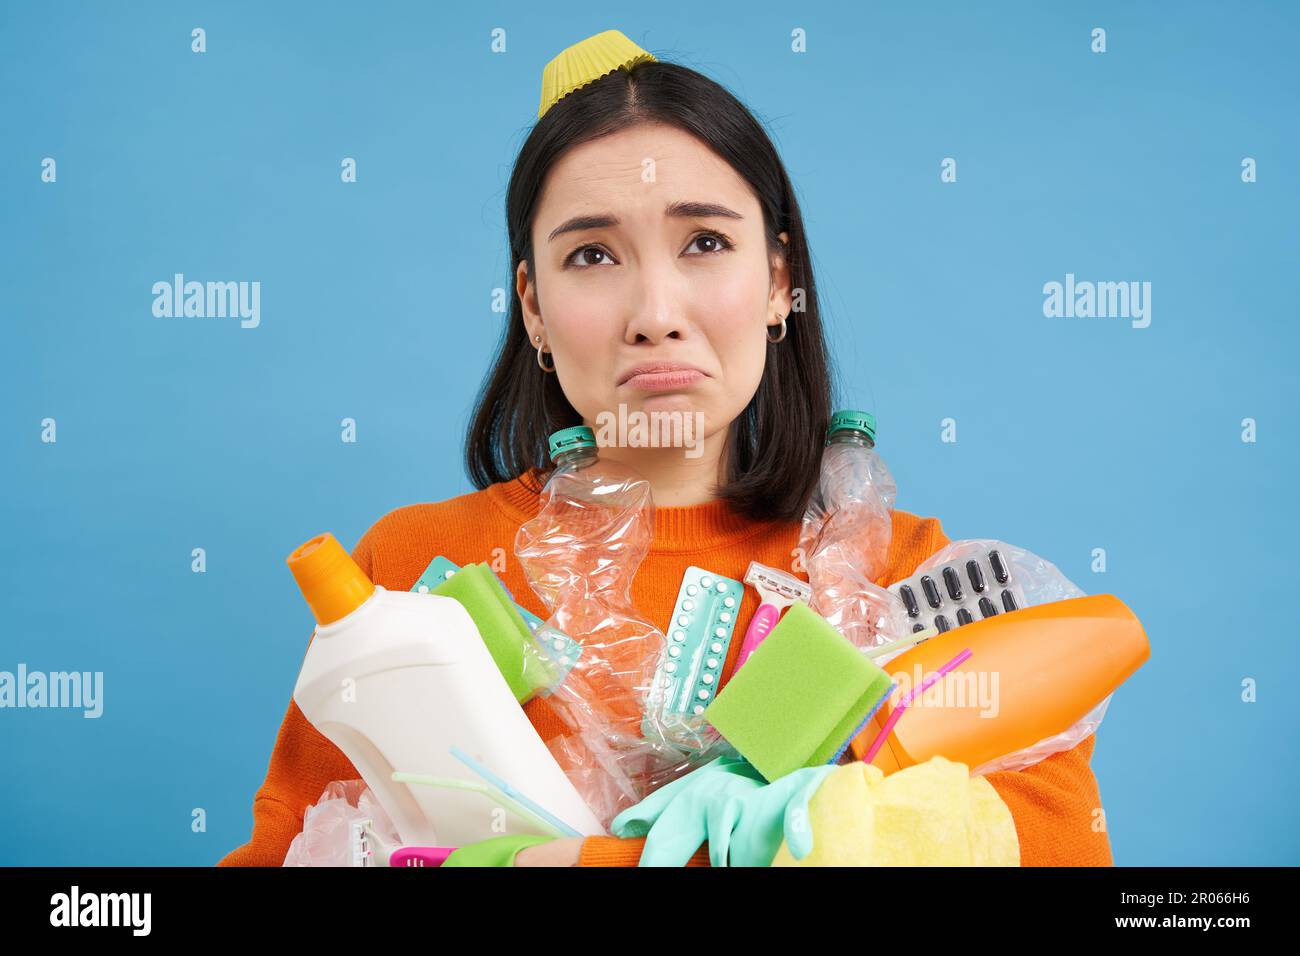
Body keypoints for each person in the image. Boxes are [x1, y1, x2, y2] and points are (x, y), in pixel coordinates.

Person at [219, 29, 1112, 868]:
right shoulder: (414, 575)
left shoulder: (909, 590)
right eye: (593, 257)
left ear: (777, 283)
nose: (655, 315)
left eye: (706, 242)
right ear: (532, 307)